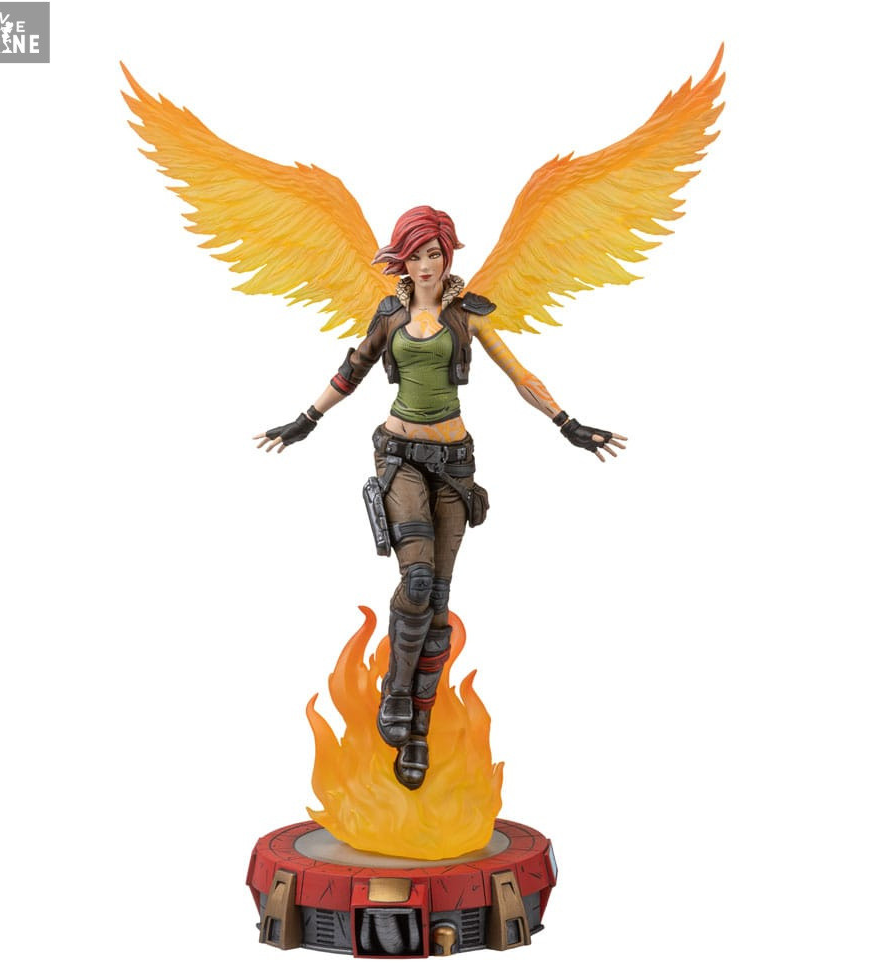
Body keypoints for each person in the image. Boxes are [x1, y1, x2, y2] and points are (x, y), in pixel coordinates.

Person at [255, 206, 626, 790]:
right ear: (401, 260)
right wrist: (306, 420)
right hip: (398, 456)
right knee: (418, 580)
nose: (426, 265)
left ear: (447, 257)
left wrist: (567, 423)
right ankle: (396, 693)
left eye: (435, 254)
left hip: (454, 466)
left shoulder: (466, 314)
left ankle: (418, 734)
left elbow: (519, 374)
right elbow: (351, 369)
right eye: (415, 255)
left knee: (439, 604)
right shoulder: (390, 315)